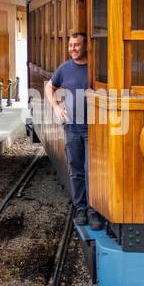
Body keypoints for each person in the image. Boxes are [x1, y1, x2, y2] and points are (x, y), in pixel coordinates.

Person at [47, 32, 98, 229]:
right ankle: (81, 209)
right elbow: (49, 87)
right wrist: (56, 107)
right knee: (76, 170)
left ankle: (94, 211)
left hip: (94, 129)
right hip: (72, 127)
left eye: (77, 45)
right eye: (70, 45)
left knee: (91, 171)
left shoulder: (95, 68)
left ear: (85, 46)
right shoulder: (64, 68)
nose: (73, 49)